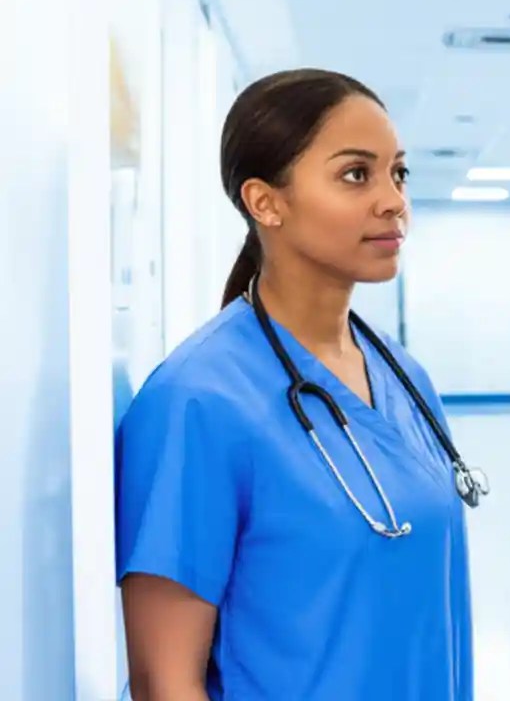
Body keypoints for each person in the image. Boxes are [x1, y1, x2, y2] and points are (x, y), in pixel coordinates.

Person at [115, 68, 475, 700]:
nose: (393, 200)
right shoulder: (196, 402)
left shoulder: (403, 375)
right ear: (265, 202)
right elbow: (164, 683)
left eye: (399, 173)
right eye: (356, 174)